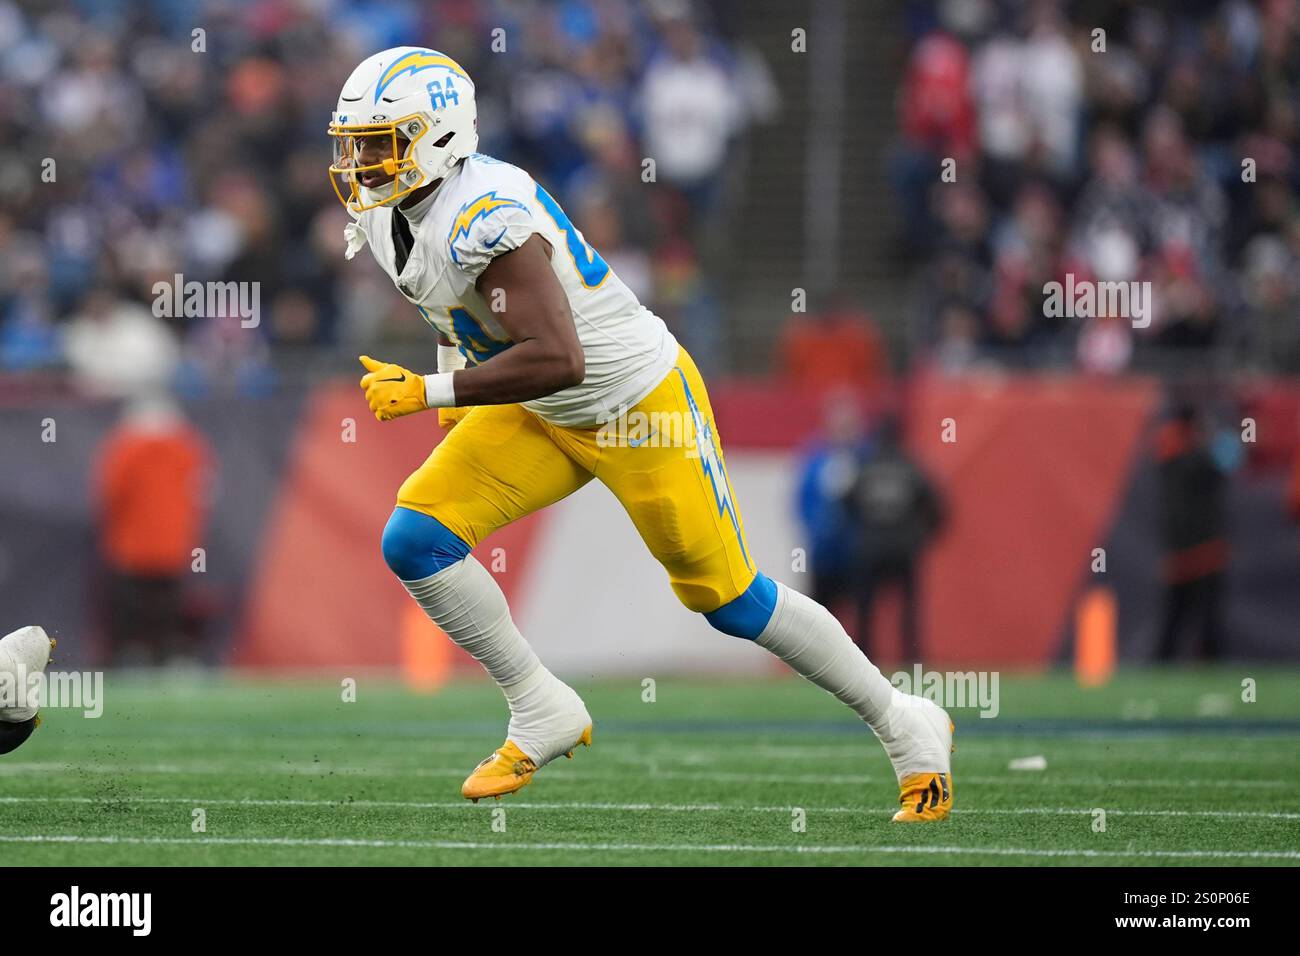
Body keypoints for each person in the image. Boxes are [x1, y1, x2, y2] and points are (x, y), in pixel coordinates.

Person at [328, 48, 953, 821]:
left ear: (439, 136)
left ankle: (904, 722)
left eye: (380, 141)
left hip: (635, 404)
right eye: (354, 142)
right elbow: (452, 307)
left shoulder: (486, 215)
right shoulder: (394, 210)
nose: (360, 161)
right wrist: (454, 385)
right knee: (414, 538)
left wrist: (429, 392)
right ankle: (540, 706)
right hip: (539, 407)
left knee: (729, 600)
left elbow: (559, 356)